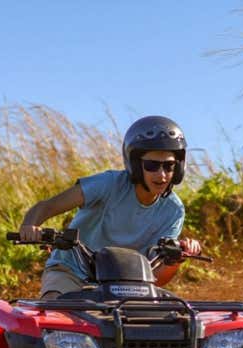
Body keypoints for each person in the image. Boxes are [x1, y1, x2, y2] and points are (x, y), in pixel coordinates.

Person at [19, 115, 201, 299]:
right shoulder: (108, 184)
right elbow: (48, 206)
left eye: (169, 166)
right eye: (152, 165)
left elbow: (157, 278)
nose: (161, 175)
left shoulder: (173, 210)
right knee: (54, 315)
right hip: (71, 272)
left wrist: (176, 259)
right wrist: (30, 225)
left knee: (164, 320)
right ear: (136, 165)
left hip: (126, 284)